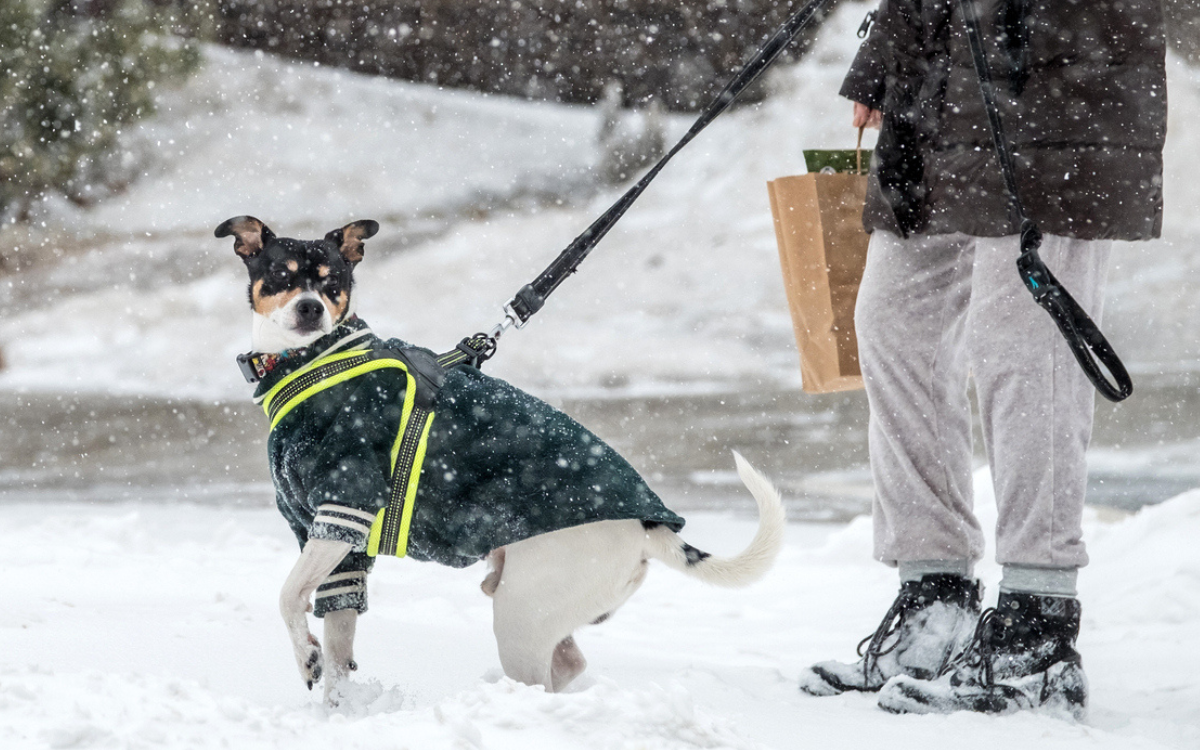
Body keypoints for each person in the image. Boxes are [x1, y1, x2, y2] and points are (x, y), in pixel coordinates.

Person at [797, 0, 1167, 718]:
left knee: (1022, 341)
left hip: (1059, 85)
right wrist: (879, 66)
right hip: (939, 94)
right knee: (891, 321)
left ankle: (1038, 616)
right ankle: (934, 598)